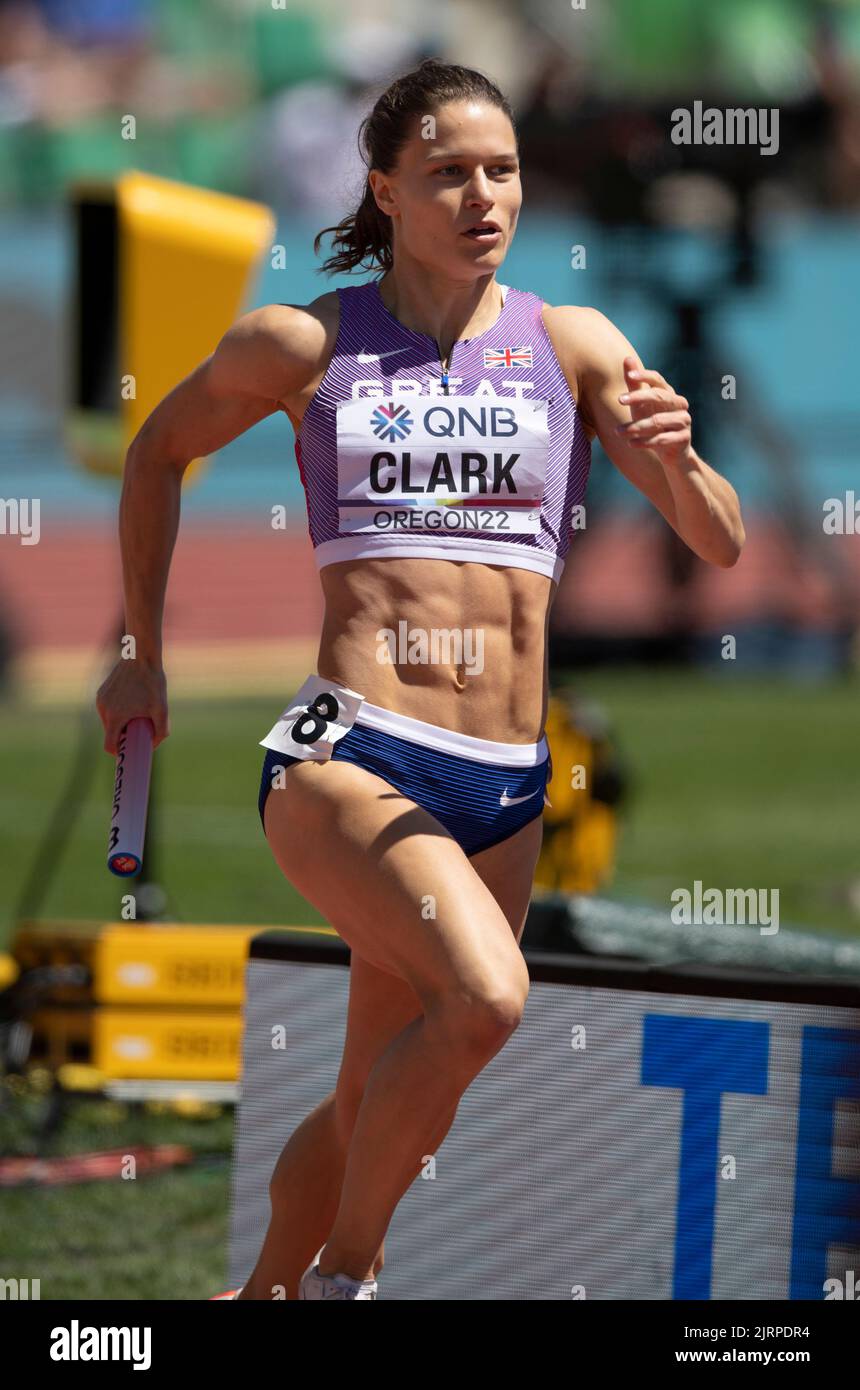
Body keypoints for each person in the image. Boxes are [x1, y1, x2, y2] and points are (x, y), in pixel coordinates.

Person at [96, 58, 744, 1301]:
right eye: (447, 173)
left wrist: (677, 461)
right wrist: (139, 655)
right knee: (488, 1002)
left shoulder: (572, 343)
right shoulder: (306, 340)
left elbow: (712, 538)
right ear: (385, 190)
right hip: (352, 750)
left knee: (370, 1100)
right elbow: (153, 451)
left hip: (503, 781)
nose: (482, 196)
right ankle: (349, 1276)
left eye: (499, 171)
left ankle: (260, 1295)